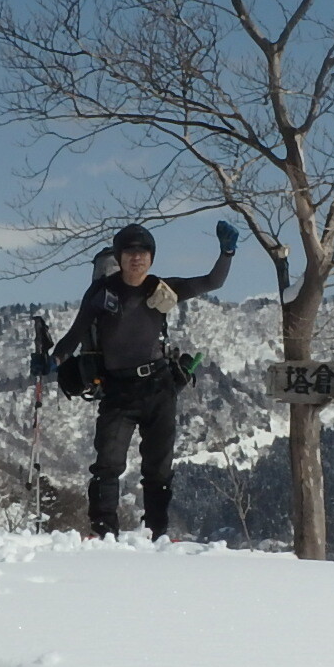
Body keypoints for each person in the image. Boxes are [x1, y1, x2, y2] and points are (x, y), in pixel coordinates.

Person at [49, 220, 237, 538]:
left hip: (159, 386)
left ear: (151, 257)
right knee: (108, 462)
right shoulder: (102, 294)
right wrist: (52, 360)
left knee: (159, 468)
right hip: (118, 389)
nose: (137, 258)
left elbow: (212, 281)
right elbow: (75, 334)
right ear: (120, 257)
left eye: (144, 252)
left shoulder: (161, 289)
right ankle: (103, 529)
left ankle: (157, 531)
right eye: (130, 252)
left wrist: (227, 251)